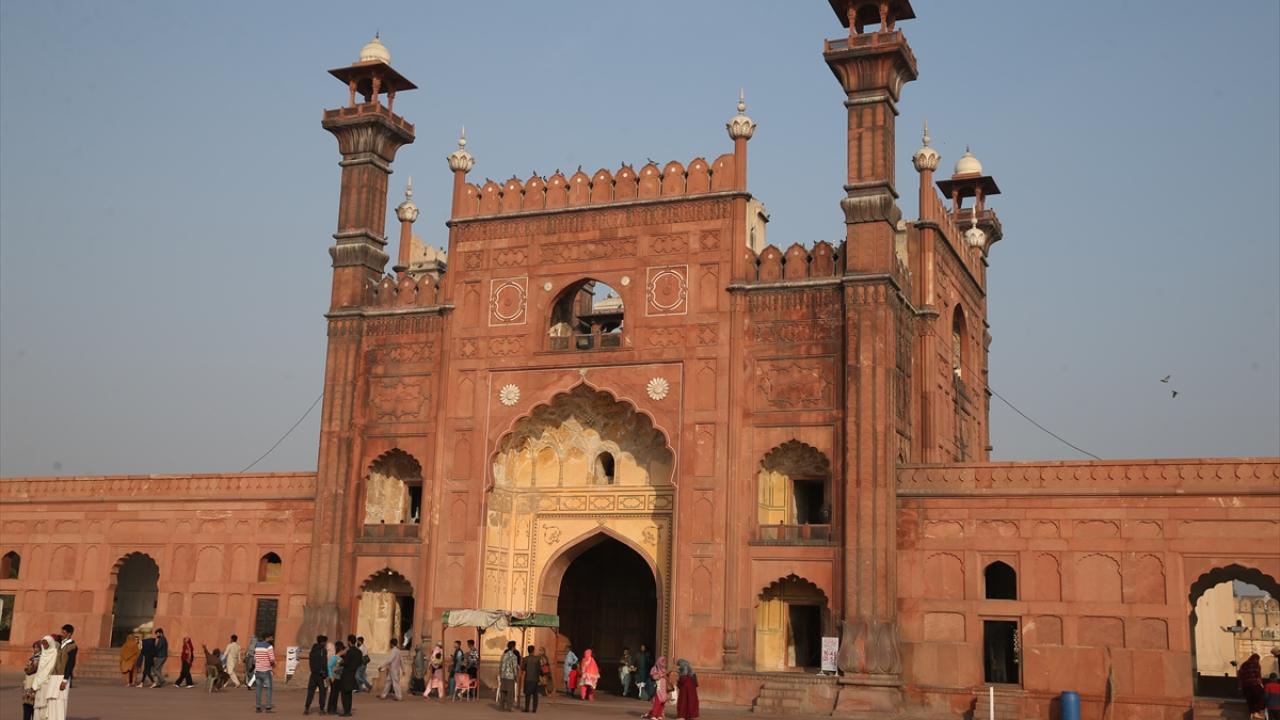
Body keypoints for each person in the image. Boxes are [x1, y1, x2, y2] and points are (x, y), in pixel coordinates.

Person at [30, 636, 58, 720]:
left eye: (46, 643)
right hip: (39, 683)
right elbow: (39, 670)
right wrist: (35, 683)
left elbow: (50, 669)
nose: (44, 645)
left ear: (50, 643)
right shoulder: (43, 654)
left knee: (45, 706)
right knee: (37, 706)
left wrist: (41, 680)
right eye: (43, 643)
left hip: (47, 683)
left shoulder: (54, 654)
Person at [337, 635, 362, 717]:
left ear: (349, 642)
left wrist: (341, 662)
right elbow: (360, 662)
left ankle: (346, 711)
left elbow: (346, 662)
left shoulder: (350, 651)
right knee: (349, 694)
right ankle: (348, 711)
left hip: (346, 674)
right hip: (353, 673)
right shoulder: (359, 652)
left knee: (344, 694)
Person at [304, 634, 328, 715]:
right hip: (320, 675)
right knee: (322, 692)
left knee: (311, 692)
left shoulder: (314, 650)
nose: (325, 644)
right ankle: (321, 709)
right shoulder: (321, 651)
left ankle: (307, 708)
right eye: (325, 642)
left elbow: (312, 662)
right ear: (322, 642)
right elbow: (324, 663)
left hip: (314, 674)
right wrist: (325, 673)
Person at [253, 632, 276, 713]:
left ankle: (258, 707)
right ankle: (268, 707)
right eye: (271, 637)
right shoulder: (269, 646)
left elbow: (255, 658)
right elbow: (272, 659)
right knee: (269, 689)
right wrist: (273, 666)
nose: (272, 639)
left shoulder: (257, 645)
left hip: (258, 670)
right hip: (266, 670)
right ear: (267, 637)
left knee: (258, 689)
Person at [22, 639, 43, 720]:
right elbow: (27, 669)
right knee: (26, 705)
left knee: (33, 706)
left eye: (37, 648)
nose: (35, 649)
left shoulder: (40, 658)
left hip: (34, 685)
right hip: (28, 684)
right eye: (34, 647)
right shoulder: (33, 657)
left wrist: (28, 668)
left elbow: (31, 669)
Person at [324, 640, 346, 716]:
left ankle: (333, 709)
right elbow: (329, 667)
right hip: (334, 678)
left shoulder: (341, 658)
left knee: (335, 694)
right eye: (343, 650)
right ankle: (331, 709)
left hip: (339, 678)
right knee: (333, 694)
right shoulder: (334, 658)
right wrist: (331, 677)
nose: (344, 651)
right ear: (340, 650)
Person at [1243, 653, 1267, 718]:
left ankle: (1253, 712)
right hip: (1254, 684)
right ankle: (1258, 710)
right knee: (1261, 696)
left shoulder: (1244, 664)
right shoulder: (1256, 664)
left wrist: (1240, 685)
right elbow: (1258, 675)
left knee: (1250, 699)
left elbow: (1240, 674)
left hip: (1245, 685)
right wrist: (1261, 684)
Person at [498, 641, 519, 712]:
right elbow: (515, 667)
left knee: (503, 691)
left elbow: (501, 666)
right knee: (510, 692)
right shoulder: (514, 656)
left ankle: (501, 707)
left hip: (503, 676)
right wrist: (516, 676)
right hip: (510, 677)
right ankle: (509, 707)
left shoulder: (504, 655)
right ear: (513, 647)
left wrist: (501, 674)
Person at [521, 644, 542, 713]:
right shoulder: (537, 659)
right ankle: (534, 709)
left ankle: (527, 708)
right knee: (535, 695)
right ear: (533, 651)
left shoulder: (525, 659)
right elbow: (539, 669)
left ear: (528, 651)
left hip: (528, 679)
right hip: (535, 679)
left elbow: (523, 668)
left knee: (528, 694)